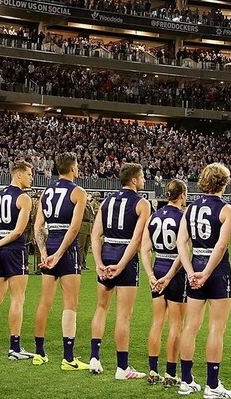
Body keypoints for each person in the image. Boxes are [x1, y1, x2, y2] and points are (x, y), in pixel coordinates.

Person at [175, 163, 231, 397]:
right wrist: (207, 272)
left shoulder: (190, 208)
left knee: (190, 326)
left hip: (196, 268)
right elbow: (221, 246)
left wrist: (191, 271)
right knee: (216, 329)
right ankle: (212, 386)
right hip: (217, 271)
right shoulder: (226, 210)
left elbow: (181, 243)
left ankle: (186, 380)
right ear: (223, 182)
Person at [89, 162, 151, 380]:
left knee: (101, 307)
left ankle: (94, 357)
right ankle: (122, 368)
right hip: (124, 259)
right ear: (133, 180)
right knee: (123, 315)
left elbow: (96, 234)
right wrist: (122, 264)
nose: (144, 180)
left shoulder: (107, 201)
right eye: (142, 177)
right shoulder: (142, 204)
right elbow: (136, 239)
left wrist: (98, 262)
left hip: (106, 255)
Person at [32, 153, 90, 369]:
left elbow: (38, 226)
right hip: (67, 248)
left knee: (44, 302)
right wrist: (58, 254)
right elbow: (74, 228)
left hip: (50, 246)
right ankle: (68, 358)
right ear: (73, 168)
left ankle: (39, 353)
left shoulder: (46, 192)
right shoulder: (78, 192)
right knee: (70, 304)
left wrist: (45, 253)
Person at [0, 160, 36, 359]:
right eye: (29, 174)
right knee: (17, 298)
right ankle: (15, 347)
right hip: (14, 250)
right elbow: (19, 231)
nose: (31, 177)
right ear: (19, 174)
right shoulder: (23, 198)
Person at [142, 179, 188, 388]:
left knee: (157, 322)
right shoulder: (183, 218)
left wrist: (151, 275)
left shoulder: (154, 216)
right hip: (175, 272)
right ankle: (170, 373)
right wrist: (169, 275)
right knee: (176, 325)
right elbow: (183, 252)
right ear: (182, 196)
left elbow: (144, 249)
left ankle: (152, 370)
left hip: (158, 266)